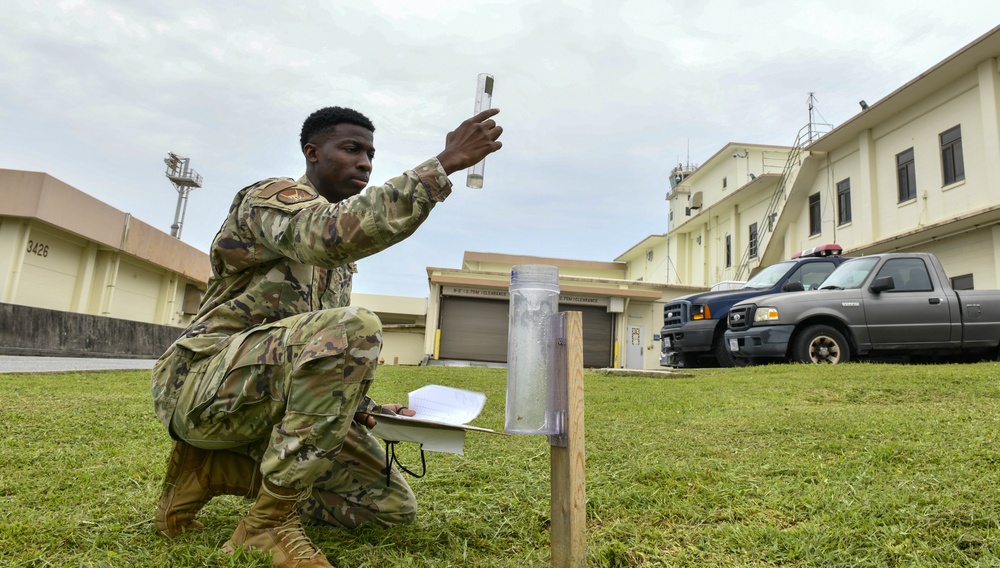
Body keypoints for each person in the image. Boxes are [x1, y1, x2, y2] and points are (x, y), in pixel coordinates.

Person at [150, 105, 503, 567]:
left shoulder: (338, 268)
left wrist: (365, 406)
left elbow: (312, 355)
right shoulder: (271, 199)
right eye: (352, 149)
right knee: (355, 326)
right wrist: (441, 167)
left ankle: (213, 469)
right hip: (199, 387)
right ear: (312, 153)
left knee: (388, 509)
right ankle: (269, 523)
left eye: (371, 154)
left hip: (261, 397)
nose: (365, 163)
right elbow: (327, 235)